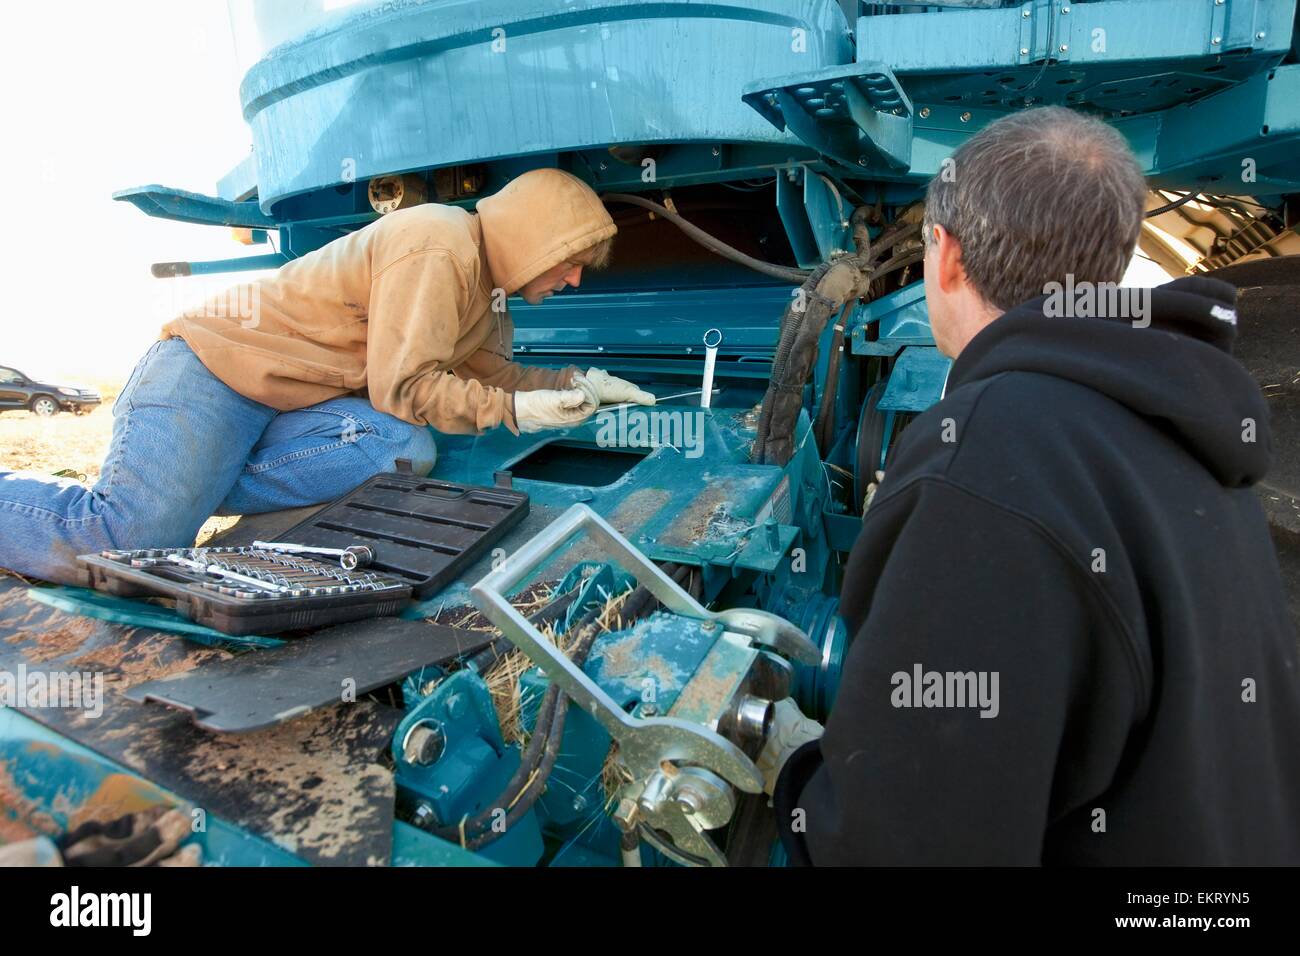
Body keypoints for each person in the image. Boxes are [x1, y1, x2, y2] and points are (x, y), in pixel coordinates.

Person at [760, 107, 1300, 865]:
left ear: (944, 258)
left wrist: (793, 772)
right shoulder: (1200, 437)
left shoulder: (983, 458)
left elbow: (902, 843)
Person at [0, 168, 654, 584]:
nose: (573, 281)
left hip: (282, 401)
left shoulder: (487, 296)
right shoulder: (439, 239)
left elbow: (492, 375)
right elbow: (404, 388)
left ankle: (195, 487)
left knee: (402, 446)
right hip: (210, 371)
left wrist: (576, 382)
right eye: (572, 263)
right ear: (537, 239)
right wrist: (519, 413)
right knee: (126, 540)